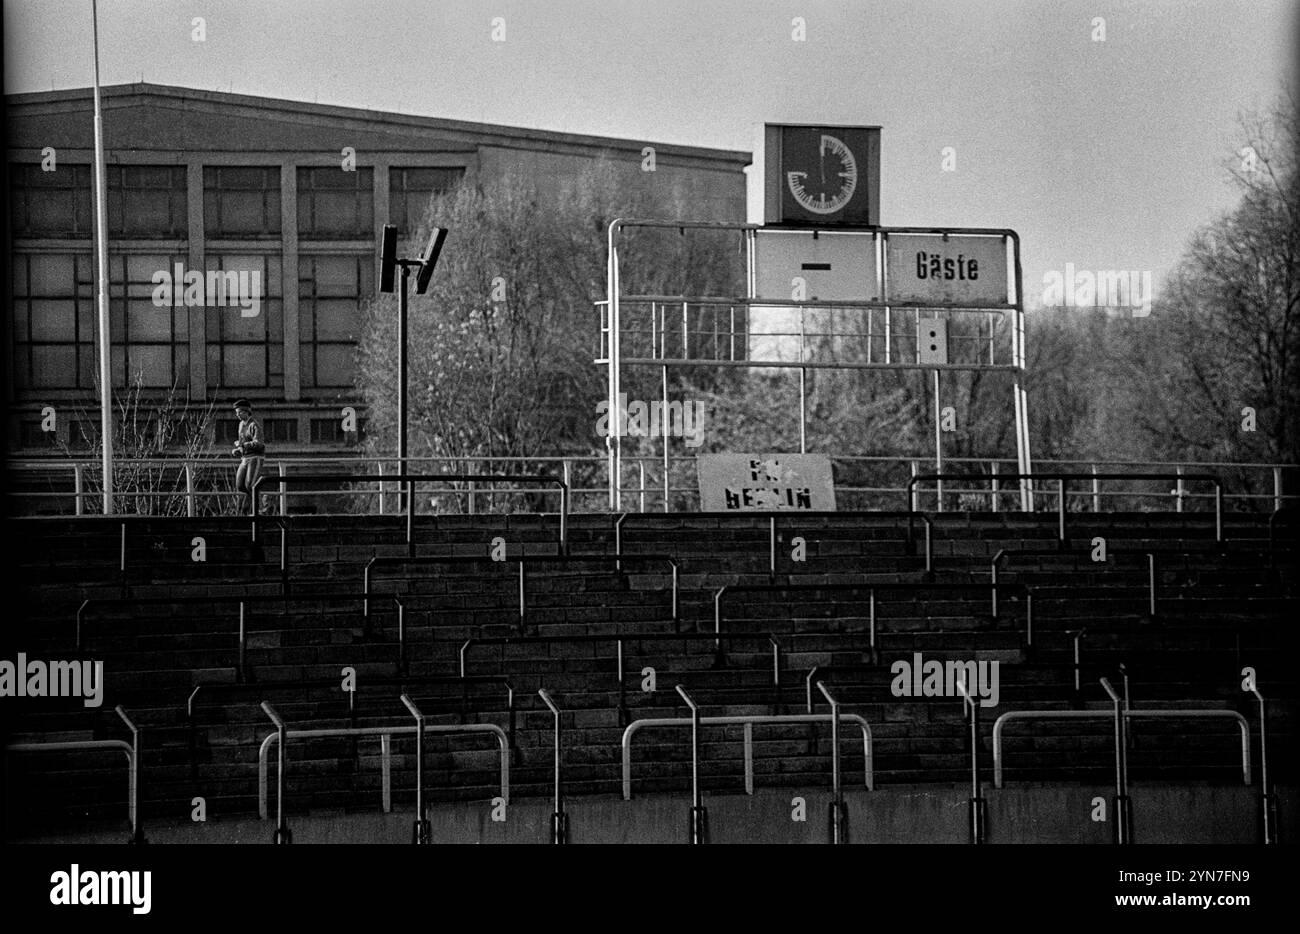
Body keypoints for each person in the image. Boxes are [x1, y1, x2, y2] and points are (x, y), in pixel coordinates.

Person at [231, 399, 266, 514]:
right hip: (245, 458)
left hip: (256, 457)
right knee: (240, 485)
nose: (238, 415)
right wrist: (238, 450)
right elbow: (242, 444)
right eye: (236, 413)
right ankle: (255, 505)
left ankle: (260, 509)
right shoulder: (241, 425)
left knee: (251, 484)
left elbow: (259, 443)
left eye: (240, 412)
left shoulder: (254, 425)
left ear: (246, 412)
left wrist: (244, 446)